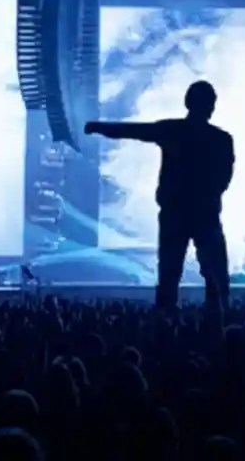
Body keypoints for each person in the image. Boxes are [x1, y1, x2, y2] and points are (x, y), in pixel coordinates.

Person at [86, 80, 234, 310]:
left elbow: (133, 131)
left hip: (178, 213)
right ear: (211, 106)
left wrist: (98, 127)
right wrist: (205, 196)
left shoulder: (173, 130)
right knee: (213, 276)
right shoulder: (220, 139)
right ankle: (217, 325)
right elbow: (224, 179)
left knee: (171, 275)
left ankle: (166, 327)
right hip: (203, 214)